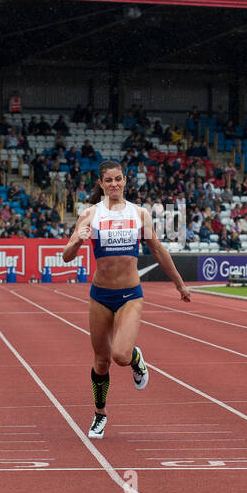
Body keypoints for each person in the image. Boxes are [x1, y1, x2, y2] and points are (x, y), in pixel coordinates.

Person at [63, 160, 191, 440]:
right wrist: (77, 241)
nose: (114, 184)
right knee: (101, 361)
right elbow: (66, 256)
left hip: (130, 295)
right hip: (100, 296)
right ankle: (100, 414)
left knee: (120, 355)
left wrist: (180, 284)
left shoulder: (139, 213)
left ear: (125, 181)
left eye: (118, 179)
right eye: (108, 180)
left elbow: (158, 250)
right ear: (100, 183)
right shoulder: (90, 214)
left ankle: (136, 360)